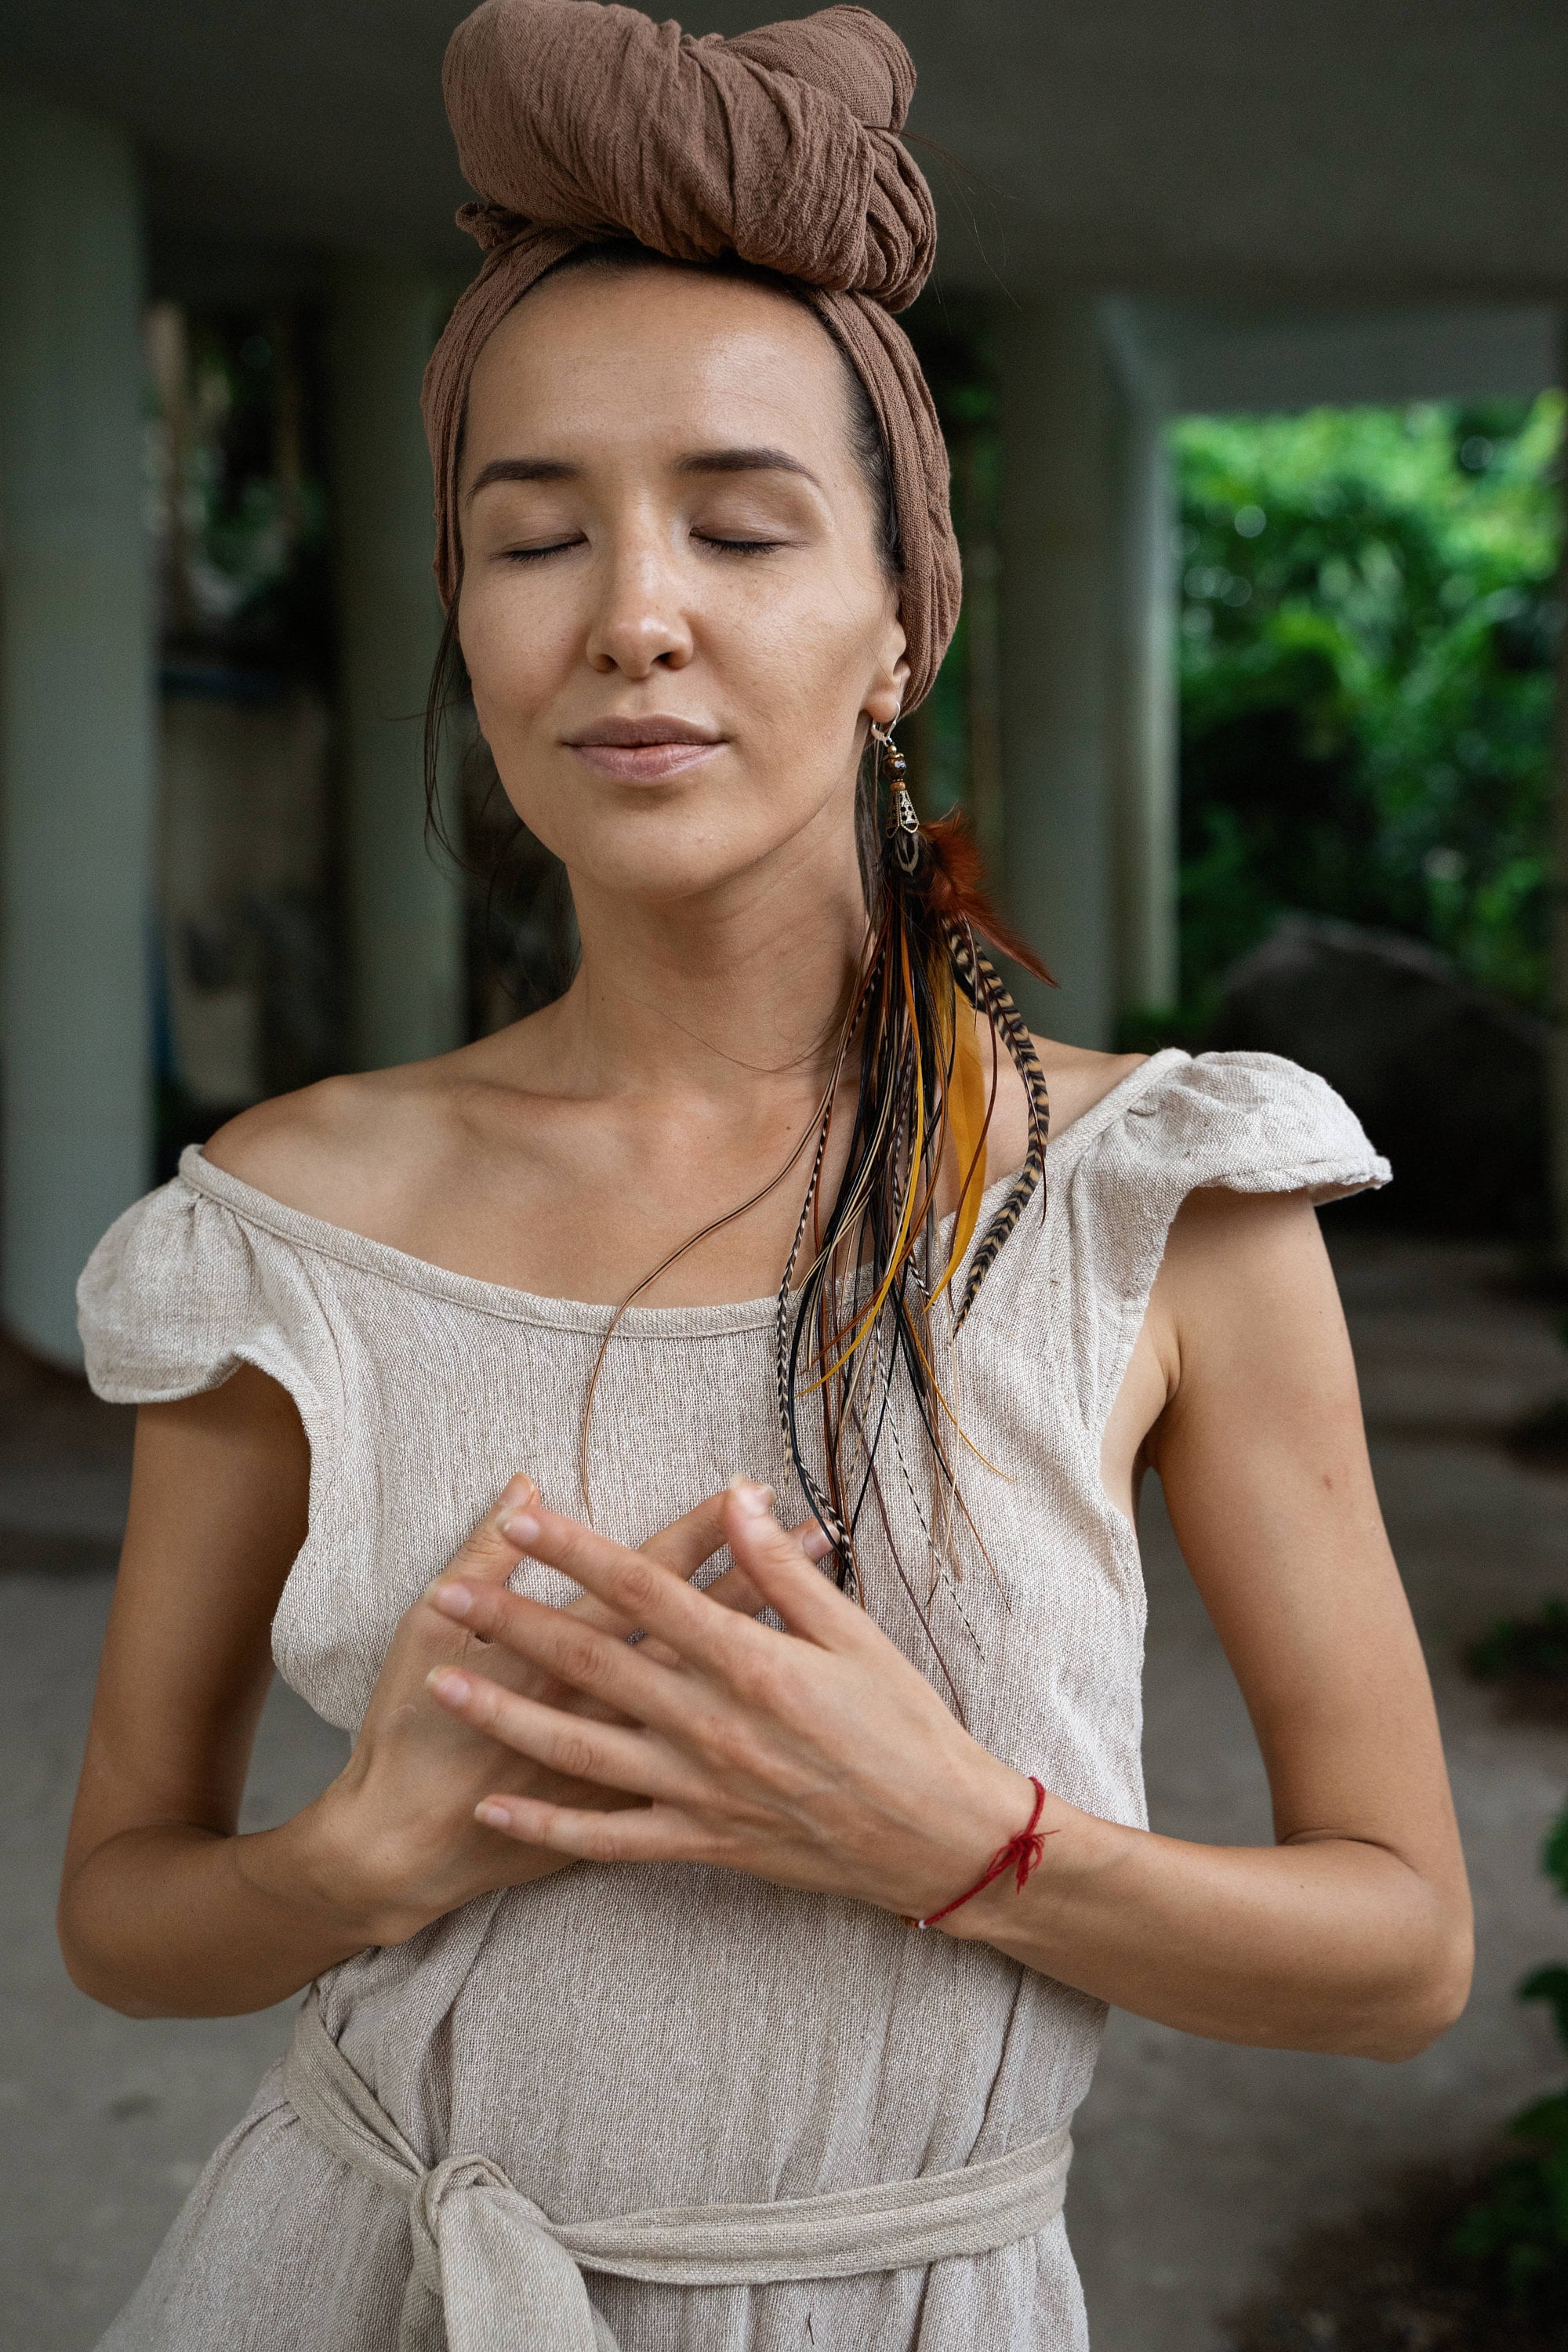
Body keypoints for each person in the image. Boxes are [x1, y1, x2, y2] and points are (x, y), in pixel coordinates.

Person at [60, 4, 1472, 2346]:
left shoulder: (1154, 1192)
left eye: (739, 522)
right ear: (473, 624)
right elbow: (128, 1911)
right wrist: (353, 1859)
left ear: (902, 622)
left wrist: (961, 1846)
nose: (633, 609)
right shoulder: (282, 1224)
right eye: (536, 535)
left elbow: (1399, 1949)